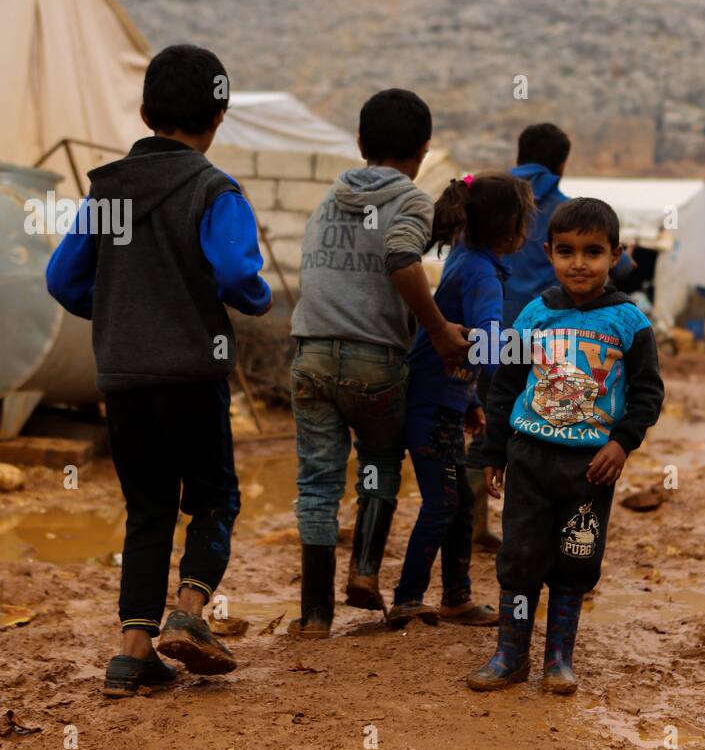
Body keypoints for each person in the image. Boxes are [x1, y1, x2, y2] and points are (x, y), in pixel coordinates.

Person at [46, 44, 272, 697]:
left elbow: (62, 279)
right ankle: (190, 615)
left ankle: (132, 654)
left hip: (122, 376)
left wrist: (117, 312)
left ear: (146, 111)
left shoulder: (110, 190)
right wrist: (253, 300)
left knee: (146, 510)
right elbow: (235, 273)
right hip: (192, 373)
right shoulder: (211, 188)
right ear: (219, 115)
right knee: (213, 500)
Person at [289, 88, 471, 637]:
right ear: (423, 148)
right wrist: (439, 331)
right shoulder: (412, 200)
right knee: (380, 464)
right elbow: (399, 259)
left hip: (311, 354)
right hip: (375, 360)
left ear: (361, 142)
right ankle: (365, 573)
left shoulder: (328, 199)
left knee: (318, 483)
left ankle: (315, 615)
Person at [469, 197, 664, 694]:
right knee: (520, 561)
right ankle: (510, 655)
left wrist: (622, 443)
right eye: (567, 251)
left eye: (593, 252)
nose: (580, 263)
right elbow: (505, 385)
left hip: (590, 469)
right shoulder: (534, 314)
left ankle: (558, 659)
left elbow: (647, 392)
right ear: (549, 253)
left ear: (615, 254)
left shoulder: (630, 322)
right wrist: (493, 451)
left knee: (575, 560)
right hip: (530, 459)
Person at [387, 171, 535, 628]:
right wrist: (519, 379)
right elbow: (488, 340)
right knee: (442, 503)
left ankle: (456, 596)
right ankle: (409, 597)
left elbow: (463, 342)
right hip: (431, 407)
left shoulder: (467, 259)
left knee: (459, 504)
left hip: (445, 402)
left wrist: (470, 397)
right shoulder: (481, 274)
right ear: (511, 229)